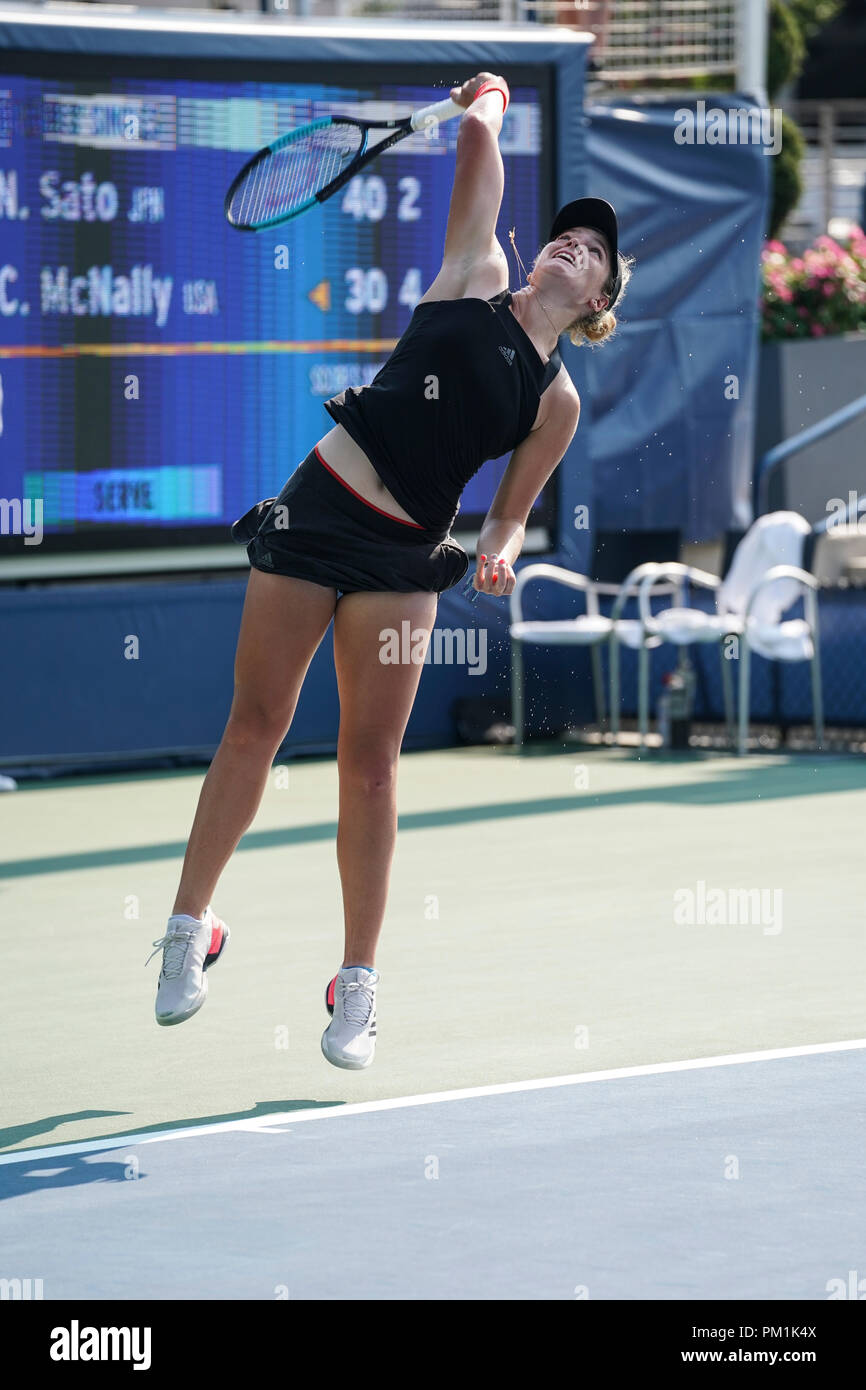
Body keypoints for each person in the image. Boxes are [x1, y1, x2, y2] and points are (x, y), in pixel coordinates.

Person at [146, 71, 634, 1070]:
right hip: (318, 508)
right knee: (257, 722)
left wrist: (496, 557)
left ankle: (356, 983)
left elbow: (505, 518)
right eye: (567, 235)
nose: (571, 246)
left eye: (592, 254)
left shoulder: (555, 404)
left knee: (369, 765)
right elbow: (478, 166)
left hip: (407, 556)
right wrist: (487, 107)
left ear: (594, 302)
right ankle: (190, 926)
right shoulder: (467, 271)